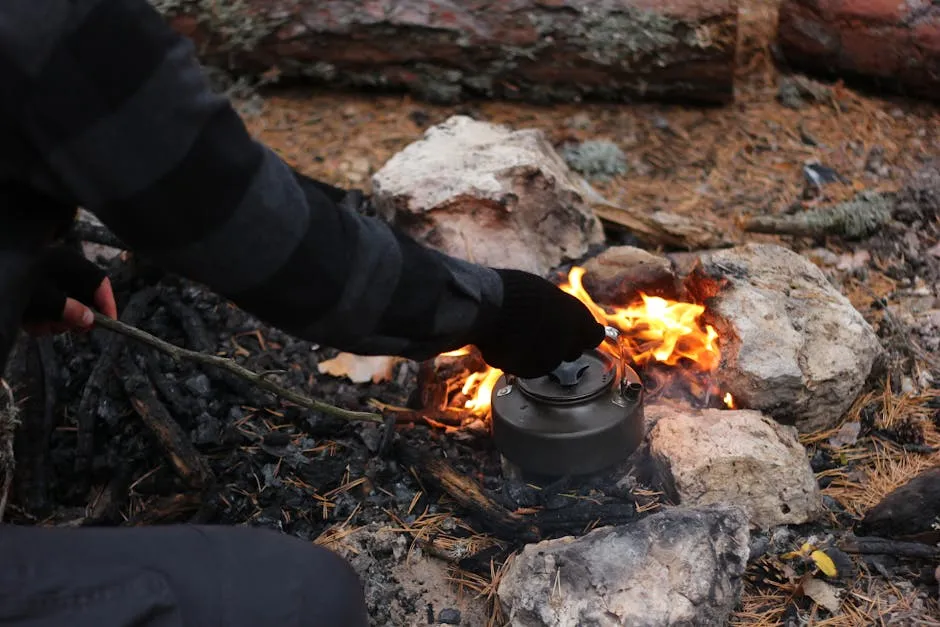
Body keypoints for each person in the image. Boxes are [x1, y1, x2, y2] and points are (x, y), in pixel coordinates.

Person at [0, 1, 606, 625]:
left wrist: (25, 256)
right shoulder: (53, 24)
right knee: (303, 598)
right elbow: (271, 241)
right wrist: (499, 310)